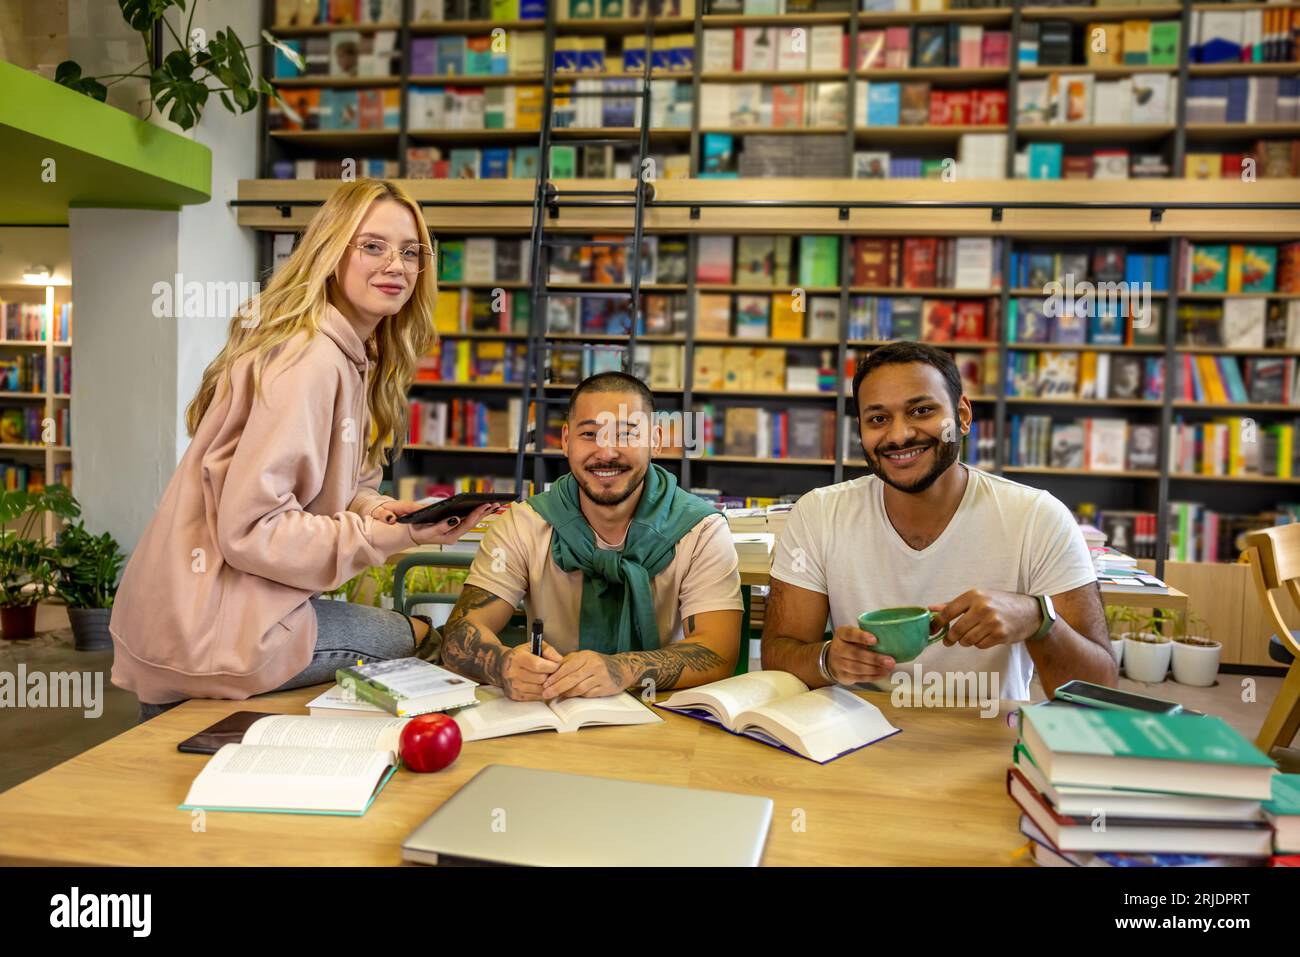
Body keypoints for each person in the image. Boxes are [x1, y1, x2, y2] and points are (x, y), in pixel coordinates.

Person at [110, 179, 498, 721]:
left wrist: (378, 511)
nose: (397, 265)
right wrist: (397, 536)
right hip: (210, 628)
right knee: (418, 637)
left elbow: (334, 490)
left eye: (411, 252)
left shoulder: (350, 354)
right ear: (331, 251)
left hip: (194, 615)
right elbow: (253, 530)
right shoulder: (312, 360)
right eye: (373, 246)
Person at [762, 341, 1117, 701]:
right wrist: (828, 660)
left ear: (962, 416)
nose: (899, 435)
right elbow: (778, 656)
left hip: (987, 740)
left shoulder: (1038, 518)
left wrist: (1039, 619)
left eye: (921, 411)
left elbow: (1098, 691)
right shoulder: (818, 514)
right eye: (878, 419)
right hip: (855, 737)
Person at [439, 372, 743, 700]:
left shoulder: (701, 529)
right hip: (550, 713)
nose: (607, 452)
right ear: (566, 439)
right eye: (590, 434)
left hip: (665, 716)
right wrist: (502, 664)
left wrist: (620, 670)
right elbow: (458, 635)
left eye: (626, 434)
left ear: (655, 440)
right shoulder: (523, 523)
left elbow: (718, 650)